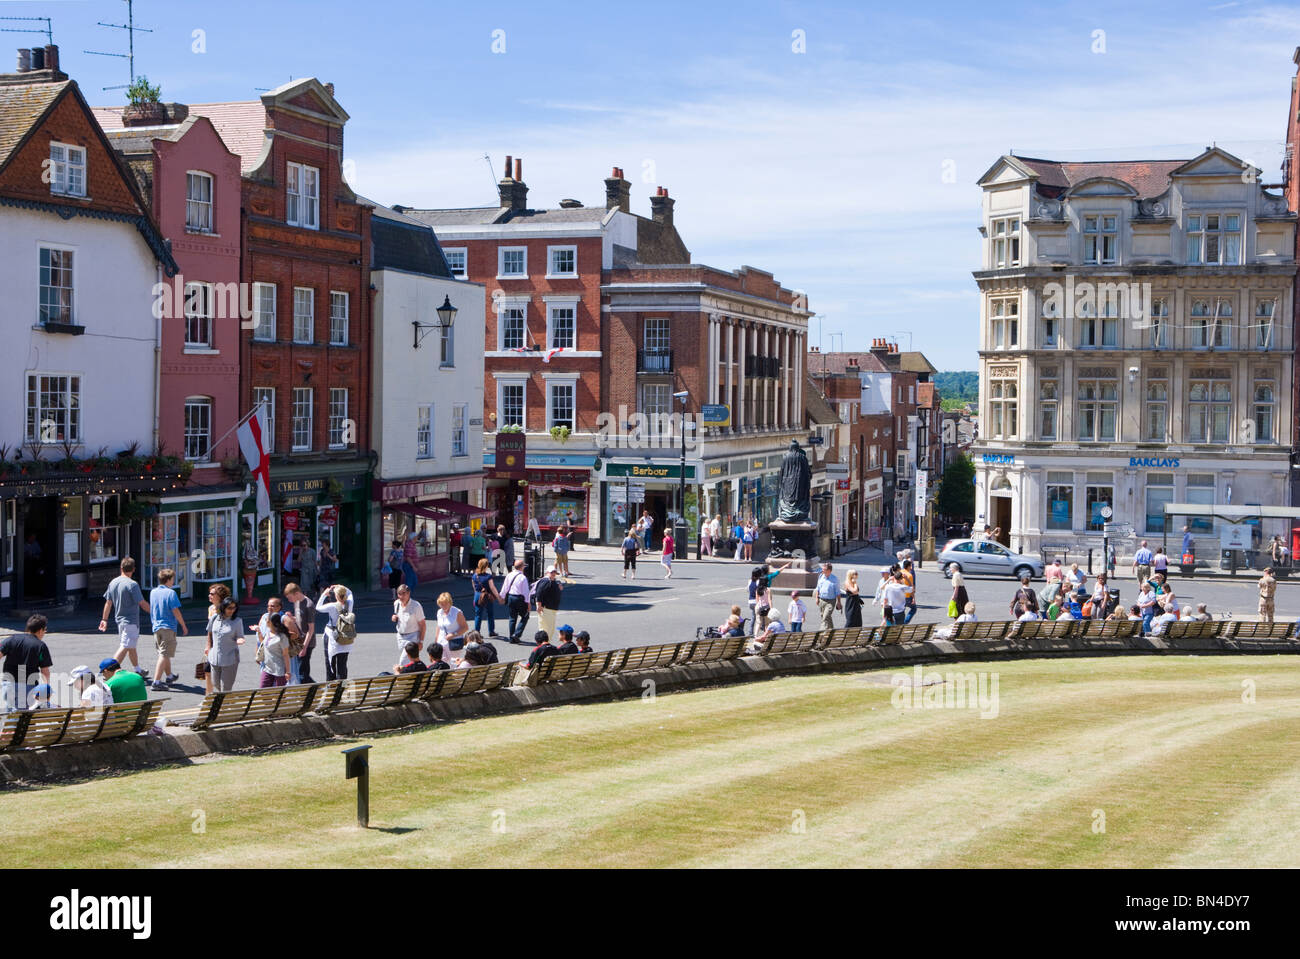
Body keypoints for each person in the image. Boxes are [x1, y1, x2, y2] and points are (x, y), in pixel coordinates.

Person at [98, 557, 151, 676]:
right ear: (133, 569)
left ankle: (138, 669)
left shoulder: (113, 582)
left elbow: (108, 603)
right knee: (125, 646)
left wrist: (104, 619)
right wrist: (155, 613)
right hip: (131, 622)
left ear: (121, 568)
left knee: (131, 646)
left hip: (120, 622)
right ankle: (109, 672)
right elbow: (142, 603)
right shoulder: (132, 584)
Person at [0, 614, 53, 711]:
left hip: (8, 685)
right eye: (45, 630)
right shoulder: (40, 646)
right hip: (27, 687)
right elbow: (45, 671)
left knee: (11, 712)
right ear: (40, 630)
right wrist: (46, 689)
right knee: (22, 719)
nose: (44, 633)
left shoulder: (11, 639)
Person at [148, 568, 187, 691]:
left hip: (156, 627)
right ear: (169, 580)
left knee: (164, 652)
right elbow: (176, 611)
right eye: (172, 579)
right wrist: (183, 625)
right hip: (168, 627)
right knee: (164, 654)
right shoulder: (171, 593)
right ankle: (156, 682)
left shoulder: (153, 592)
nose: (173, 582)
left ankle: (169, 676)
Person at [205, 597, 244, 693]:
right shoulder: (214, 618)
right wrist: (209, 648)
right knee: (215, 684)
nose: (232, 610)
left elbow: (240, 636)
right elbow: (210, 633)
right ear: (223, 607)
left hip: (230, 659)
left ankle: (225, 706)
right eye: (229, 608)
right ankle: (223, 703)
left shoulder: (237, 621)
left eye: (234, 608)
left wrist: (240, 640)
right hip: (214, 658)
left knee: (226, 687)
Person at [317, 585, 355, 681]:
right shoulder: (349, 603)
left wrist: (324, 595)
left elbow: (318, 607)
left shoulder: (332, 606)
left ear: (336, 596)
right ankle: (342, 688)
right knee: (342, 665)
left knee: (330, 663)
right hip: (346, 636)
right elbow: (350, 592)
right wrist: (341, 586)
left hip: (332, 636)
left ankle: (331, 686)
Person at [283, 583, 316, 684]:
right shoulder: (296, 602)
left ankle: (314, 689)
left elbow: (311, 629)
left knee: (303, 673)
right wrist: (291, 617)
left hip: (307, 643)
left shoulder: (308, 605)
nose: (289, 600)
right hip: (298, 641)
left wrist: (304, 647)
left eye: (290, 597)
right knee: (299, 671)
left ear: (297, 593)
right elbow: (299, 620)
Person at [391, 584, 428, 660]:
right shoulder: (397, 603)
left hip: (412, 637)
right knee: (411, 661)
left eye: (404, 593)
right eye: (399, 594)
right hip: (400, 637)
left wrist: (421, 641)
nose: (401, 596)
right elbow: (396, 615)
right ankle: (420, 669)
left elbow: (423, 625)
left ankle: (400, 671)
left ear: (408, 593)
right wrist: (394, 618)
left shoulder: (416, 606)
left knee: (403, 661)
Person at [501, 559, 533, 643]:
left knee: (512, 618)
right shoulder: (523, 577)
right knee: (525, 616)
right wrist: (528, 603)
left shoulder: (509, 575)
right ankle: (517, 634)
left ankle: (511, 637)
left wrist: (501, 597)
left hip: (511, 597)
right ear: (522, 567)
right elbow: (526, 592)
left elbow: (505, 587)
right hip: (519, 598)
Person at [256, 612, 290, 690]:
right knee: (263, 691)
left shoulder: (282, 637)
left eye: (267, 620)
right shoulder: (268, 633)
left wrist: (288, 671)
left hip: (279, 670)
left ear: (271, 622)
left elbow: (286, 654)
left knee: (279, 695)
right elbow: (263, 643)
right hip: (267, 668)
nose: (266, 622)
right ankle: (269, 703)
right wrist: (259, 632)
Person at [470, 558, 503, 637]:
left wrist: (476, 596)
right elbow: (492, 588)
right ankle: (491, 631)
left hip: (478, 595)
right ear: (486, 566)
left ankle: (477, 633)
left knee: (478, 615)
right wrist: (498, 597)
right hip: (487, 596)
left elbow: (474, 586)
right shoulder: (488, 576)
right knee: (490, 614)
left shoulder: (475, 575)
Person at [434, 592, 469, 663]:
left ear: (450, 603)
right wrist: (436, 641)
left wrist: (453, 634)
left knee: (454, 664)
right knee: (441, 663)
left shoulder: (457, 612)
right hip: (441, 642)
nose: (443, 606)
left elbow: (465, 627)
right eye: (441, 604)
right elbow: (439, 627)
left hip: (454, 643)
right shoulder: (439, 612)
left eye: (445, 604)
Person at [535, 566, 564, 638]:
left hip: (551, 608)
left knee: (550, 628)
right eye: (551, 572)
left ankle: (546, 643)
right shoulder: (545, 581)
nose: (553, 574)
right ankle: (543, 644)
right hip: (546, 608)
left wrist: (559, 586)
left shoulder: (554, 581)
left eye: (555, 572)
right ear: (547, 573)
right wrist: (539, 605)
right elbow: (539, 593)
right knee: (546, 628)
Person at [815, 562, 842, 630]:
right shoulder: (821, 577)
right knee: (824, 617)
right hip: (822, 600)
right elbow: (818, 588)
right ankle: (832, 631)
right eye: (822, 569)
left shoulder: (834, 579)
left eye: (824, 569)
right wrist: (817, 598)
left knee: (826, 617)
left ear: (829, 571)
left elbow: (838, 592)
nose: (822, 571)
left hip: (831, 601)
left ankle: (821, 633)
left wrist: (839, 602)